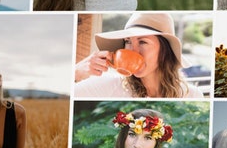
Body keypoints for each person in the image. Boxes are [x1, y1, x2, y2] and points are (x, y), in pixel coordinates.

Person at [74, 12, 202, 99]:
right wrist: (77, 72)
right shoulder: (107, 86)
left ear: (165, 51)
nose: (132, 51)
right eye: (128, 41)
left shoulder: (192, 95)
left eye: (143, 42)